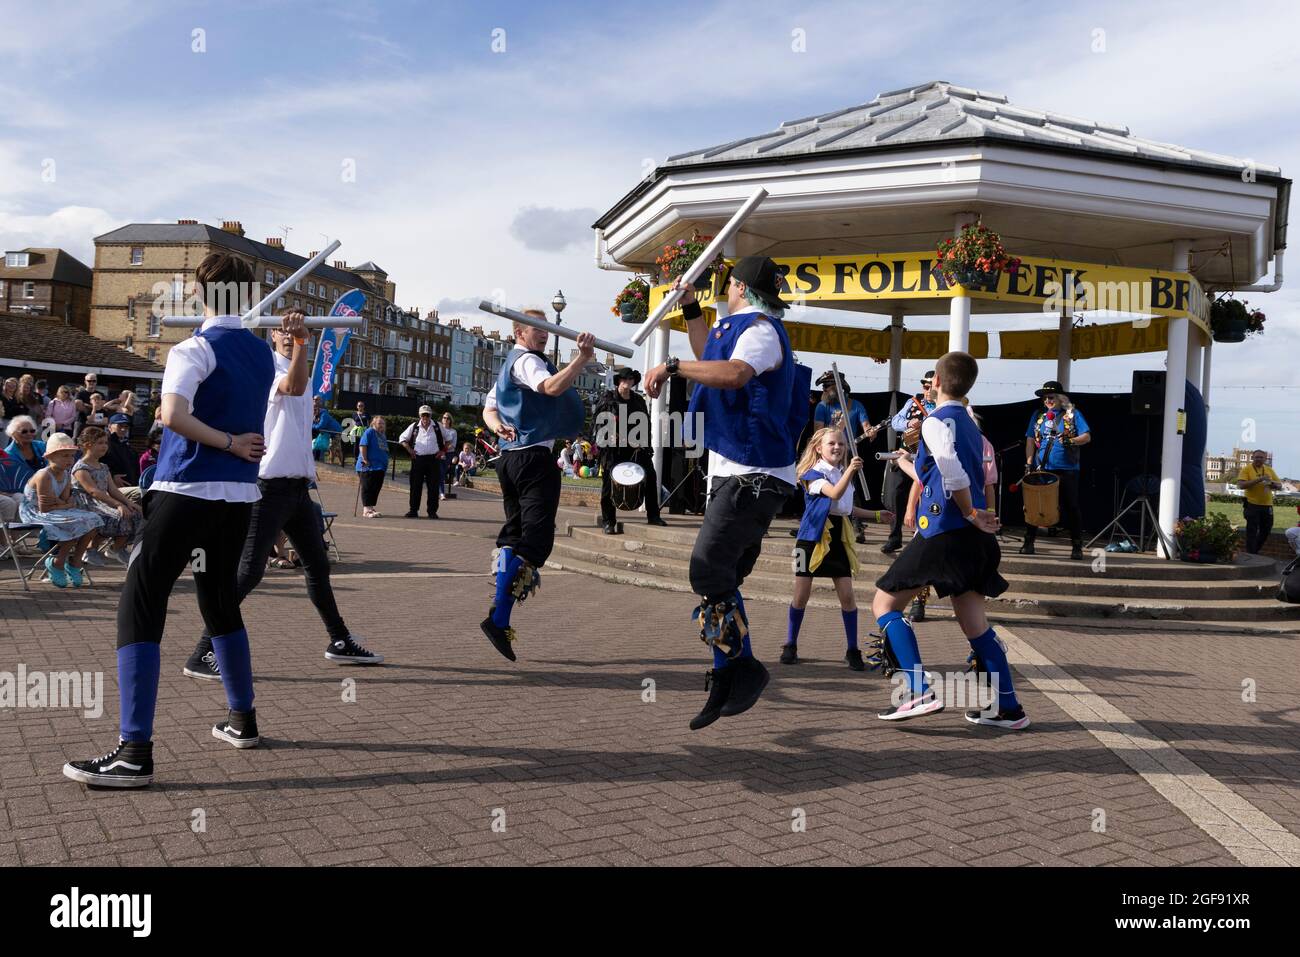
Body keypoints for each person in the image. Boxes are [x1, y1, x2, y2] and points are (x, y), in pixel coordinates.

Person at [62, 251, 283, 788]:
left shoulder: (194, 347)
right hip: (236, 499)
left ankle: (134, 751)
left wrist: (228, 442)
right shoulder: (262, 355)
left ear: (202, 295)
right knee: (219, 600)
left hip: (186, 491)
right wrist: (237, 445)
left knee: (140, 602)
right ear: (249, 296)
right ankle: (242, 719)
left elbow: (171, 415)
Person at [644, 256, 809, 730]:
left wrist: (672, 366)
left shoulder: (759, 330)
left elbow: (734, 374)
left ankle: (745, 667)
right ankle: (724, 673)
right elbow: (711, 355)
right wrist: (692, 310)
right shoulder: (732, 325)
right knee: (722, 583)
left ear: (737, 285)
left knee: (707, 570)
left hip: (752, 474)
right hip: (738, 472)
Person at [183, 310, 381, 681]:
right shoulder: (266, 369)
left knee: (318, 567)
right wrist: (305, 340)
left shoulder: (301, 370)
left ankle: (339, 640)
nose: (289, 335)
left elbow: (302, 389)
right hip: (269, 487)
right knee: (249, 572)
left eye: (294, 331)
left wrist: (304, 344)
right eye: (282, 331)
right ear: (272, 335)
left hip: (297, 489)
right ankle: (202, 650)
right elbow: (292, 386)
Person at [870, 350, 1028, 729]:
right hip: (973, 538)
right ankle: (1008, 708)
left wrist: (971, 511)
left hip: (947, 532)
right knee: (975, 624)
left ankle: (917, 689)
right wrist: (907, 463)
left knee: (884, 604)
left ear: (936, 382)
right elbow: (945, 472)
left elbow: (952, 474)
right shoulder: (972, 424)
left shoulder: (935, 421)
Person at [479, 310, 590, 661]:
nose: (544, 335)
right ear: (519, 332)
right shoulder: (527, 361)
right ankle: (498, 618)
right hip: (532, 461)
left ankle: (500, 616)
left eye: (547, 329)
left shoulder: (508, 365)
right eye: (537, 330)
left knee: (514, 537)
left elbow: (489, 408)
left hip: (510, 460)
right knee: (536, 544)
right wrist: (582, 359)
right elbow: (551, 386)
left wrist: (497, 426)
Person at [782, 426, 892, 670]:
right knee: (801, 596)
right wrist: (851, 471)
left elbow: (846, 509)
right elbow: (833, 493)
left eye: (841, 444)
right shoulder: (812, 474)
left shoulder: (843, 473)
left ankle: (852, 649)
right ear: (818, 448)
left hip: (838, 537)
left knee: (847, 596)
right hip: (811, 538)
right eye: (832, 443)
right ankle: (790, 643)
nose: (837, 448)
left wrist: (876, 515)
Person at [18, 432, 102, 588]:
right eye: (64, 456)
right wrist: (64, 505)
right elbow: (45, 507)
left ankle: (75, 563)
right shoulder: (44, 475)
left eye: (71, 456)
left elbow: (65, 500)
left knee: (93, 519)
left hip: (55, 511)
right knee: (74, 523)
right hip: (36, 513)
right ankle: (57, 562)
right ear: (50, 457)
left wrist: (63, 504)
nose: (70, 460)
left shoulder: (65, 474)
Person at [1021, 381, 1091, 560]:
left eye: (1051, 397)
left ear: (1061, 399)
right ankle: (1029, 543)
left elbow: (1086, 437)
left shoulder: (1072, 414)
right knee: (1035, 505)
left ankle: (1076, 546)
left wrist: (1071, 441)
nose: (1048, 401)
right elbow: (1030, 440)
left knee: (1071, 506)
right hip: (1041, 468)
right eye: (1045, 398)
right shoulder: (1038, 415)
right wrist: (1029, 463)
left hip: (1067, 469)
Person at [594, 367, 667, 534]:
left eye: (631, 380)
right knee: (608, 484)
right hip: (613, 449)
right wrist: (626, 439)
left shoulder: (638, 401)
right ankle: (609, 522)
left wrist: (643, 443)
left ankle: (653, 516)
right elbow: (603, 427)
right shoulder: (608, 399)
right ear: (619, 381)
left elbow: (645, 424)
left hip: (636, 448)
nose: (628, 382)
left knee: (650, 477)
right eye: (625, 379)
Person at [881, 371, 936, 554]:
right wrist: (908, 424)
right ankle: (895, 536)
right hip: (906, 454)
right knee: (897, 493)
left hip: (928, 460)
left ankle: (920, 538)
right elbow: (895, 421)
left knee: (925, 496)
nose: (927, 390)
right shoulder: (913, 402)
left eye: (930, 386)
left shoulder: (941, 407)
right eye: (924, 386)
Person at [71, 426, 142, 566]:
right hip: (87, 505)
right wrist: (118, 505)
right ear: (87, 445)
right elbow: (93, 491)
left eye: (105, 443)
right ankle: (90, 550)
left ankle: (116, 549)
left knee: (135, 513)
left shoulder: (103, 467)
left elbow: (113, 490)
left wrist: (128, 503)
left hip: (103, 503)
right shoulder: (81, 468)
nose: (104, 446)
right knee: (115, 516)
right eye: (100, 443)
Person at [399, 406, 442, 519]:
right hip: (418, 459)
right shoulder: (414, 427)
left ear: (430, 415)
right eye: (423, 415)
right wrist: (409, 450)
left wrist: (443, 451)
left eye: (427, 415)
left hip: (434, 460)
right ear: (420, 416)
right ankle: (413, 510)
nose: (425, 417)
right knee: (415, 486)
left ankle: (432, 512)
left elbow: (449, 440)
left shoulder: (437, 426)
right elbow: (402, 438)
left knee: (433, 487)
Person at [1236, 449, 1282, 554]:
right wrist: (1259, 479)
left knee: (1266, 530)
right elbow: (1241, 485)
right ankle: (1251, 554)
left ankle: (1253, 552)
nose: (1259, 459)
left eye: (1261, 457)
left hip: (1267, 505)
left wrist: (1274, 485)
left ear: (1265, 459)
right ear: (1252, 458)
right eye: (1256, 457)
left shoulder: (1269, 470)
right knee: (1252, 530)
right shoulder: (1246, 469)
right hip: (1252, 504)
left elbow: (1280, 485)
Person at [356, 415, 388, 518]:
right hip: (368, 466)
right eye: (379, 423)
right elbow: (363, 445)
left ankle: (371, 507)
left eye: (383, 423)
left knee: (376, 487)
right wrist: (365, 459)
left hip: (380, 467)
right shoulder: (369, 432)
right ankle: (366, 510)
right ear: (373, 424)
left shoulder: (382, 435)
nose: (381, 425)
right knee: (368, 487)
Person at [4, 415, 47, 488]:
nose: (29, 434)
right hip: (21, 491)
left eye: (32, 431)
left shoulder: (42, 446)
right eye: (24, 431)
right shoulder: (7, 455)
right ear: (13, 434)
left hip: (45, 486)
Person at [438, 412, 458, 499]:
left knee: (442, 473)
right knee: (440, 473)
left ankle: (439, 491)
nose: (445, 419)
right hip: (438, 453)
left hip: (449, 454)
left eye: (447, 418)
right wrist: (441, 452)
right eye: (444, 417)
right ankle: (441, 493)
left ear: (450, 420)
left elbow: (453, 444)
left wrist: (444, 451)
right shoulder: (438, 429)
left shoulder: (453, 432)